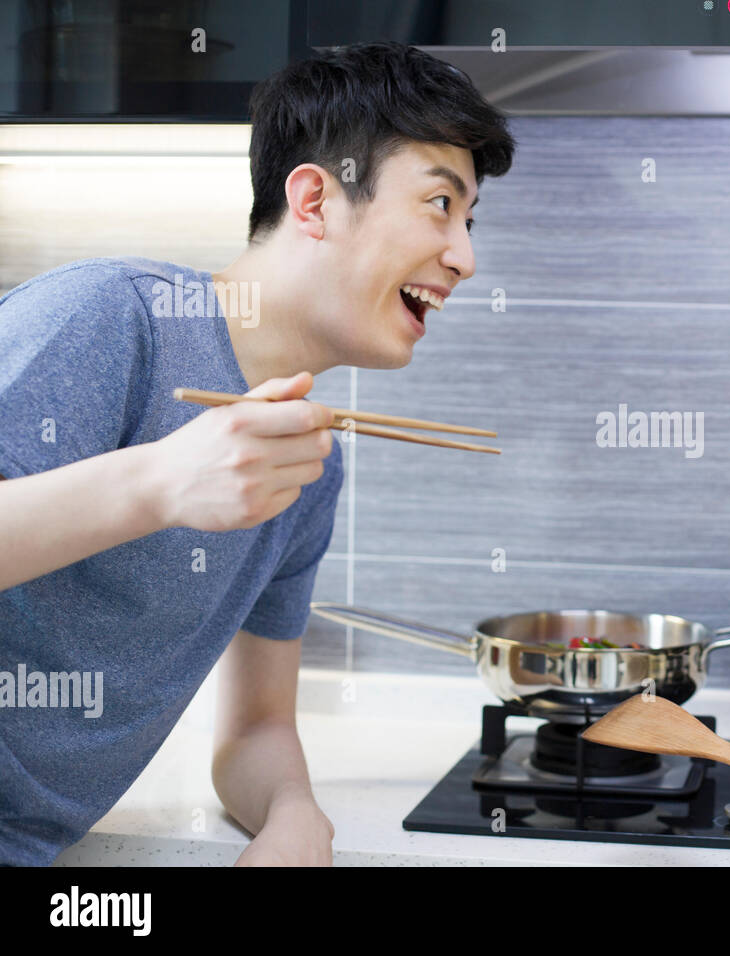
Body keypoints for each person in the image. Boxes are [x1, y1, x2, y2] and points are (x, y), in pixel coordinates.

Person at [0, 42, 514, 866]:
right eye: (439, 205)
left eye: (469, 220)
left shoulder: (306, 461)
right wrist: (161, 482)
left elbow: (257, 729)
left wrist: (291, 816)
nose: (465, 256)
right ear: (314, 199)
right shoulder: (110, 319)